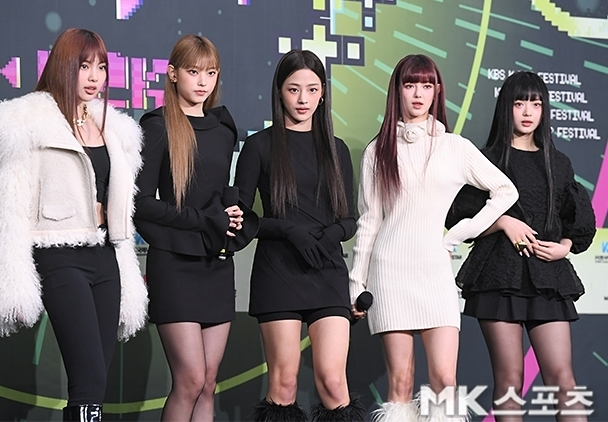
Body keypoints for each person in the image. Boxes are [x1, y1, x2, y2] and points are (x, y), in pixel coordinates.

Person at [0, 28, 148, 421]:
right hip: (58, 256)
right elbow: (5, 210)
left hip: (106, 257)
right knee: (88, 379)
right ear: (63, 66)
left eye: (101, 67)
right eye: (84, 66)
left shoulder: (112, 127)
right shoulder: (24, 123)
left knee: (97, 383)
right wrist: (10, 283)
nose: (94, 76)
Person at [348, 54, 519, 422]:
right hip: (389, 272)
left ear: (437, 91)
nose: (418, 93)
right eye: (410, 84)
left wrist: (462, 231)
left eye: (426, 85)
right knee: (400, 383)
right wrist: (356, 282)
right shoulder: (378, 150)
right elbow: (370, 221)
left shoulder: (455, 147)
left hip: (435, 271)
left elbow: (505, 190)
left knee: (445, 380)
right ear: (397, 90)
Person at [446, 71, 596, 421]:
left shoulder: (557, 162)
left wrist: (565, 247)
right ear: (506, 107)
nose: (528, 112)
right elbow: (459, 217)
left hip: (548, 277)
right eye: (519, 103)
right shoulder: (485, 159)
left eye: (536, 104)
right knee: (510, 380)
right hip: (499, 276)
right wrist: (502, 222)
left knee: (563, 379)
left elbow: (578, 219)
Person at [133, 34, 257, 422]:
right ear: (173, 74)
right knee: (189, 380)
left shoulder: (223, 128)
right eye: (193, 71)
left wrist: (231, 212)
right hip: (174, 264)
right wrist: (202, 220)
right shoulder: (157, 126)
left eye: (211, 72)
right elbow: (141, 203)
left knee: (208, 383)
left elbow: (220, 191)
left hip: (216, 264)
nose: (202, 81)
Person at [234, 49, 364, 421]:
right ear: (280, 92)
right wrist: (288, 230)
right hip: (279, 271)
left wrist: (331, 234)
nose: (303, 99)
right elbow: (243, 218)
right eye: (293, 89)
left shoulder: (337, 149)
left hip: (327, 271)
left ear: (323, 93)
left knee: (334, 383)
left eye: (312, 89)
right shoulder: (259, 146)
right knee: (284, 383)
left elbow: (349, 220)